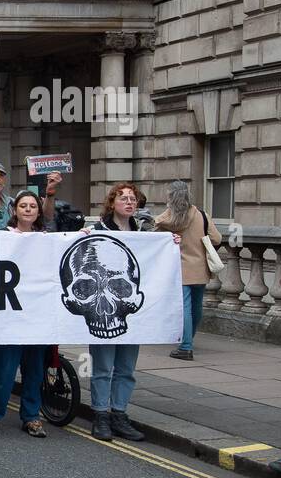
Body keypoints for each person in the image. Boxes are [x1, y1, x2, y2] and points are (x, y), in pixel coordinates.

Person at [85, 181, 153, 443]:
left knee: (126, 368)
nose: (129, 202)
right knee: (103, 366)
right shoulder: (97, 231)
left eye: (133, 199)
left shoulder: (144, 234)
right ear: (112, 203)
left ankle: (119, 414)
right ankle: (100, 415)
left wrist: (170, 242)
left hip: (130, 312)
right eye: (123, 198)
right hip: (101, 311)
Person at [0, 191, 49, 438]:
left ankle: (31, 416)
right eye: (23, 206)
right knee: (5, 369)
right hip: (10, 314)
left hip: (37, 315)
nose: (28, 210)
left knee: (34, 370)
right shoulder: (2, 237)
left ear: (38, 212)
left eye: (33, 206)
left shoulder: (47, 239)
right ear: (15, 211)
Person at [155, 180, 220, 361]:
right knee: (196, 307)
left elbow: (154, 228)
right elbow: (216, 238)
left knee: (184, 308)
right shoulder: (201, 214)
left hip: (180, 269)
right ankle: (188, 339)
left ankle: (185, 346)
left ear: (171, 197)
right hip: (200, 268)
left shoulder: (168, 217)